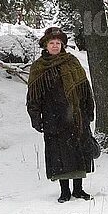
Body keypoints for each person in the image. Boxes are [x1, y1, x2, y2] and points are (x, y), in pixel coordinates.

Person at [26, 26, 97, 202]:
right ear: (46, 45)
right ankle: (65, 191)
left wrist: (89, 110)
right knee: (59, 155)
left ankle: (78, 190)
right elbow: (33, 96)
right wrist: (35, 118)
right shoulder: (38, 67)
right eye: (52, 43)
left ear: (62, 45)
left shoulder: (72, 62)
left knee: (78, 152)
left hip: (76, 116)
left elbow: (84, 88)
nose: (55, 46)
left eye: (58, 43)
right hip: (53, 118)